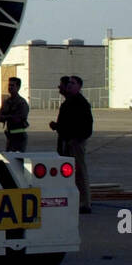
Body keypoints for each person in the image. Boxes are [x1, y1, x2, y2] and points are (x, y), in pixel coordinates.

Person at [49, 75, 93, 214]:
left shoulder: (80, 103)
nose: (69, 85)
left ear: (79, 87)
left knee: (80, 172)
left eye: (73, 83)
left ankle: (85, 202)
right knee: (70, 173)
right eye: (68, 83)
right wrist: (58, 127)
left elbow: (87, 126)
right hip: (67, 140)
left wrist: (76, 139)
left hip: (75, 141)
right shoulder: (69, 102)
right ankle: (74, 199)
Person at [0, 76, 30, 152]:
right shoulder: (7, 102)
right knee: (9, 158)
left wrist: (6, 116)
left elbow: (18, 119)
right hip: (10, 137)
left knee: (17, 159)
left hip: (19, 136)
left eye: (12, 85)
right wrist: (10, 116)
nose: (10, 87)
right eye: (9, 85)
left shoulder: (22, 103)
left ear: (18, 87)